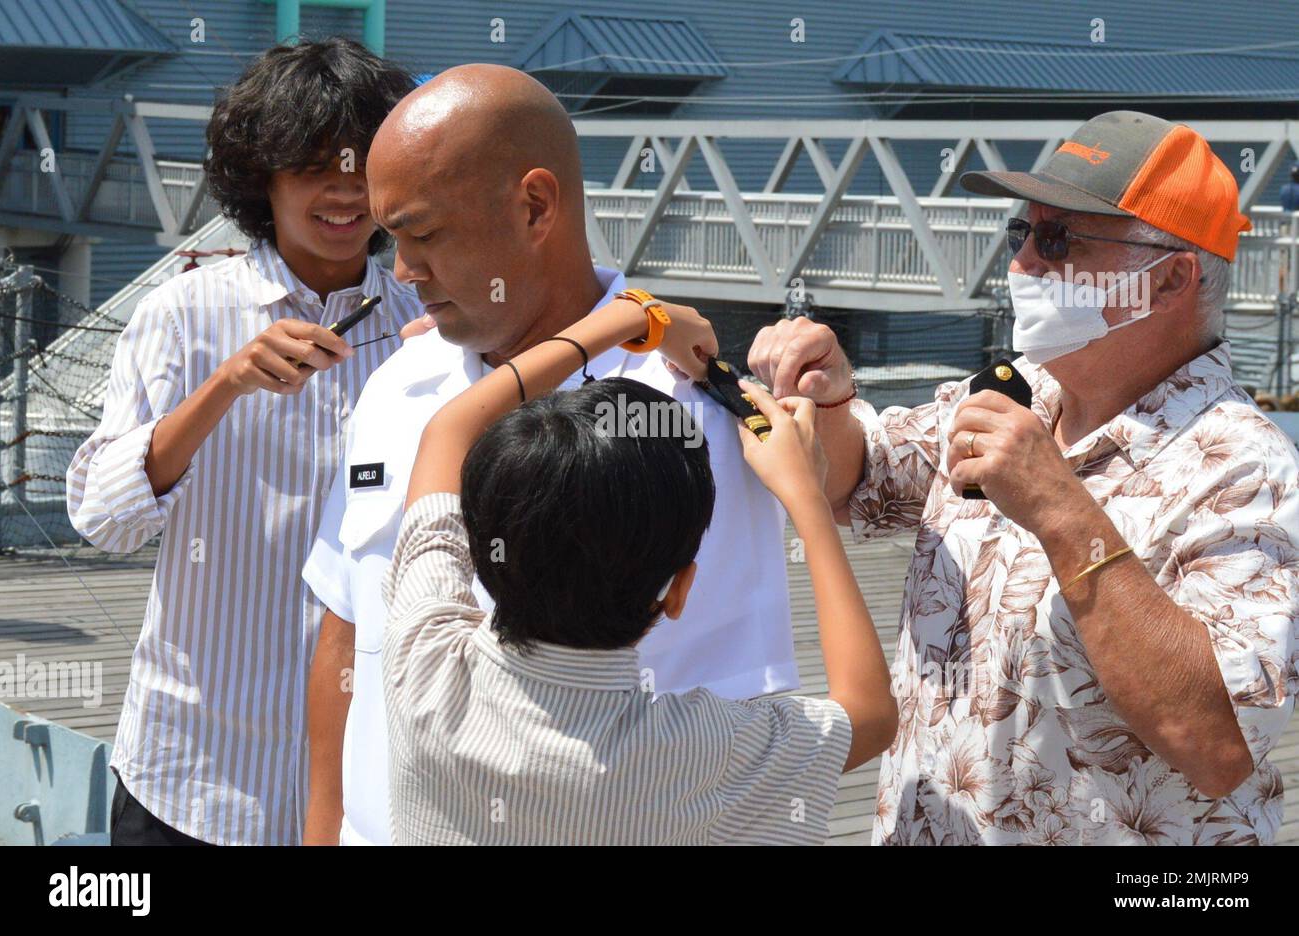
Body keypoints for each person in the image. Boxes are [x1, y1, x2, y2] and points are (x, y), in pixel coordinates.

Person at [749, 110, 1299, 845]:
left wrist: (1062, 511)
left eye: (1060, 239)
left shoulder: (1247, 466)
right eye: (1023, 233)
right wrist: (834, 396)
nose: (1023, 264)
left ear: (1169, 280)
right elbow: (860, 478)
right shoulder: (1013, 394)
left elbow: (1216, 742)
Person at [301, 65, 799, 845]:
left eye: (423, 234)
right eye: (388, 238)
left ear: (535, 207)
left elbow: (739, 697)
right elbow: (345, 635)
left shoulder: (685, 423)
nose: (401, 271)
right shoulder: (396, 387)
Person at [381, 291, 897, 845]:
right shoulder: (701, 751)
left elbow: (449, 431)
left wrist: (633, 317)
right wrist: (807, 498)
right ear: (679, 592)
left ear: (483, 555)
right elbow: (867, 715)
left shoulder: (424, 669)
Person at [65, 38, 417, 845]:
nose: (342, 192)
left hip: (365, 783)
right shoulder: (183, 313)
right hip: (191, 770)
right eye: (310, 167)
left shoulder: (427, 327)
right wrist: (222, 386)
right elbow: (102, 518)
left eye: (362, 167)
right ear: (262, 178)